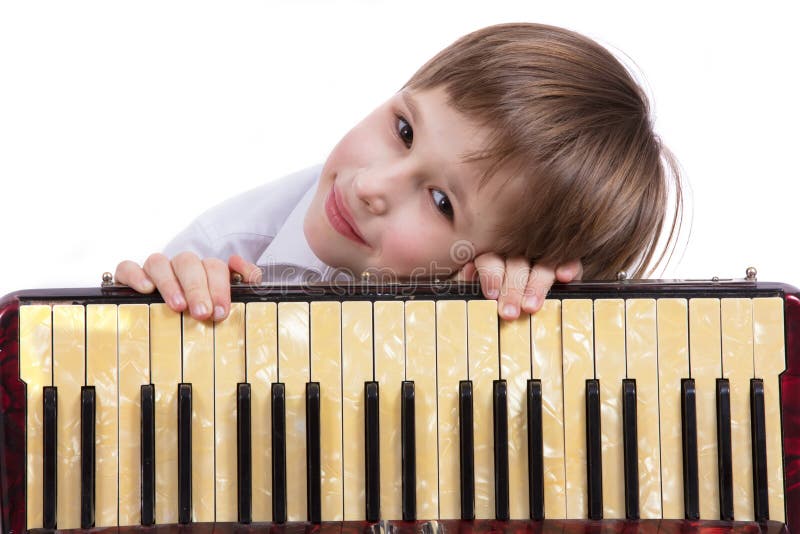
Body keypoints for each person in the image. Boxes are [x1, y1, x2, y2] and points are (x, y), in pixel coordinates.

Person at [115, 22, 682, 322]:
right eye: (404, 130)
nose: (368, 186)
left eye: (441, 203)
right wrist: (155, 323)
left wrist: (511, 325)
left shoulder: (499, 312)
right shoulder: (227, 254)